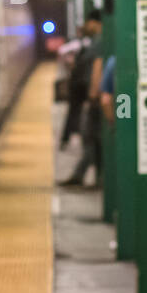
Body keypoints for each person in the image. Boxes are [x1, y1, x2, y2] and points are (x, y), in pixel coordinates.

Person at [61, 11, 104, 185]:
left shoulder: (100, 42)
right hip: (110, 99)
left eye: (88, 22)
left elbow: (97, 67)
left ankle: (84, 176)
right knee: (94, 138)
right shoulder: (99, 41)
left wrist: (93, 94)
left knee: (91, 136)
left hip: (103, 100)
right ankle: (93, 177)